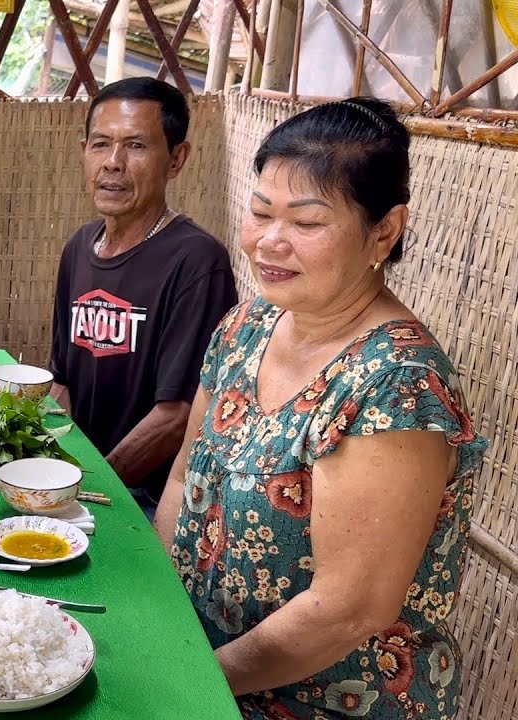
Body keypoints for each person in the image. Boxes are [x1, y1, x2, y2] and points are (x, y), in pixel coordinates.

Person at [154, 98, 487, 719]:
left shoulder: (396, 388)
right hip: (206, 671)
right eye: (260, 214)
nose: (270, 242)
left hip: (327, 702)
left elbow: (347, 609)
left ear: (383, 232)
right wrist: (161, 627)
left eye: (306, 223)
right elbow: (181, 479)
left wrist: (191, 681)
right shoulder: (247, 325)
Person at [48, 77, 238, 518]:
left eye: (135, 146)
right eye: (100, 144)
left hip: (150, 498)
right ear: (83, 151)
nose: (113, 163)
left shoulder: (196, 261)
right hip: (85, 480)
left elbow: (178, 416)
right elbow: (61, 383)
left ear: (176, 159)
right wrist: (53, 468)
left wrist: (92, 486)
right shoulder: (79, 247)